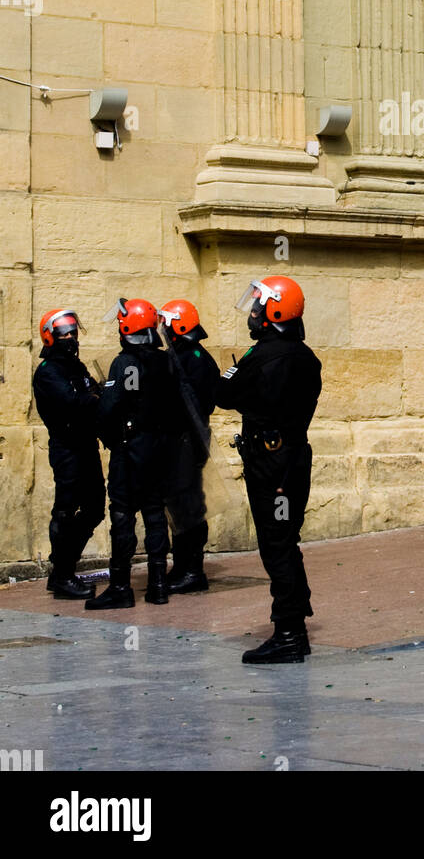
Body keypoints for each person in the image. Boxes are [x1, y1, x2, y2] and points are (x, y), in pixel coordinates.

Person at [219, 275, 321, 665]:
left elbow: (223, 394)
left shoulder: (262, 356)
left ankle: (289, 633)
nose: (254, 312)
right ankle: (295, 624)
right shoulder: (305, 356)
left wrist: (235, 373)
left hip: (271, 464)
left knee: (276, 544)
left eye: (259, 305)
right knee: (286, 540)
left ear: (275, 309)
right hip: (294, 458)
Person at [86, 298, 179, 611]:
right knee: (155, 514)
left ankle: (120, 586)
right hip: (160, 450)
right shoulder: (166, 360)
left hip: (131, 449)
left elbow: (110, 406)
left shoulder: (125, 362)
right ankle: (158, 585)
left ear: (128, 327)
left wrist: (108, 434)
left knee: (123, 514)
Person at [32, 309, 105, 599]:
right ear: (51, 336)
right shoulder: (49, 371)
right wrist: (93, 398)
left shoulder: (76, 366)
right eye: (65, 333)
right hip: (67, 448)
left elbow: (93, 391)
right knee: (66, 509)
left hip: (86, 444)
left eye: (73, 332)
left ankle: (62, 569)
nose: (71, 338)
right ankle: (62, 575)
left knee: (95, 509)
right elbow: (76, 402)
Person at [157, 299, 220, 594]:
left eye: (166, 323)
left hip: (186, 442)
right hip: (185, 442)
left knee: (188, 507)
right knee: (183, 505)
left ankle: (192, 570)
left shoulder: (192, 357)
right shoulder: (188, 354)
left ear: (178, 324)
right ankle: (184, 567)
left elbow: (189, 403)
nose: (163, 330)